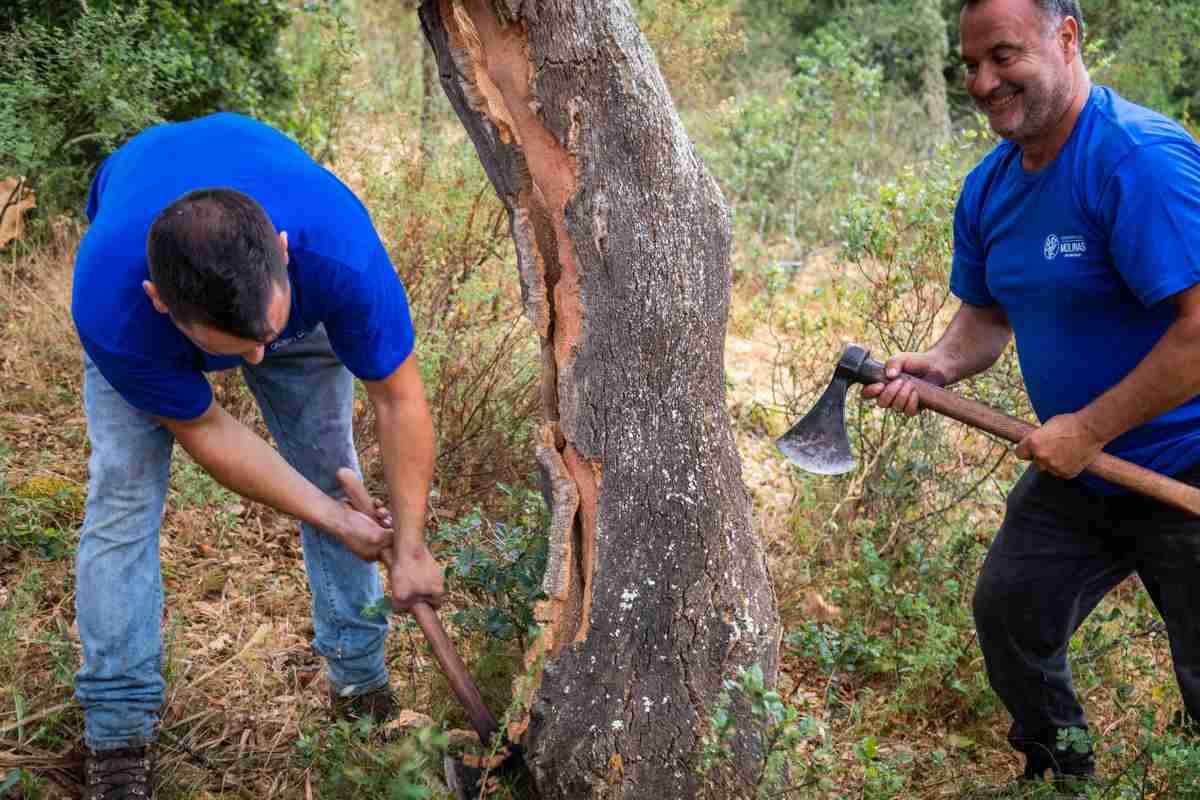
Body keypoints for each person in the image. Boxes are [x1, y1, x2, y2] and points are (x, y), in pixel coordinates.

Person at [864, 0, 1200, 787]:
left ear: (1067, 38)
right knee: (1011, 616)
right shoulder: (991, 186)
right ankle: (1060, 776)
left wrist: (1088, 428)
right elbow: (986, 315)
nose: (983, 82)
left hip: (1184, 465)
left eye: (1003, 56)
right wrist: (939, 365)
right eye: (970, 65)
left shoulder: (1138, 161)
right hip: (1078, 471)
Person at [71, 112, 445, 798]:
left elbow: (400, 400)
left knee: (330, 463)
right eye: (235, 349)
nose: (257, 361)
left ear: (282, 249)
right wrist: (334, 519)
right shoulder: (114, 303)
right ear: (160, 302)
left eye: (267, 338)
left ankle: (361, 686)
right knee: (122, 495)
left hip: (291, 290)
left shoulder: (338, 250)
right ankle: (117, 732)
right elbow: (208, 430)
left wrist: (412, 544)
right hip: (148, 298)